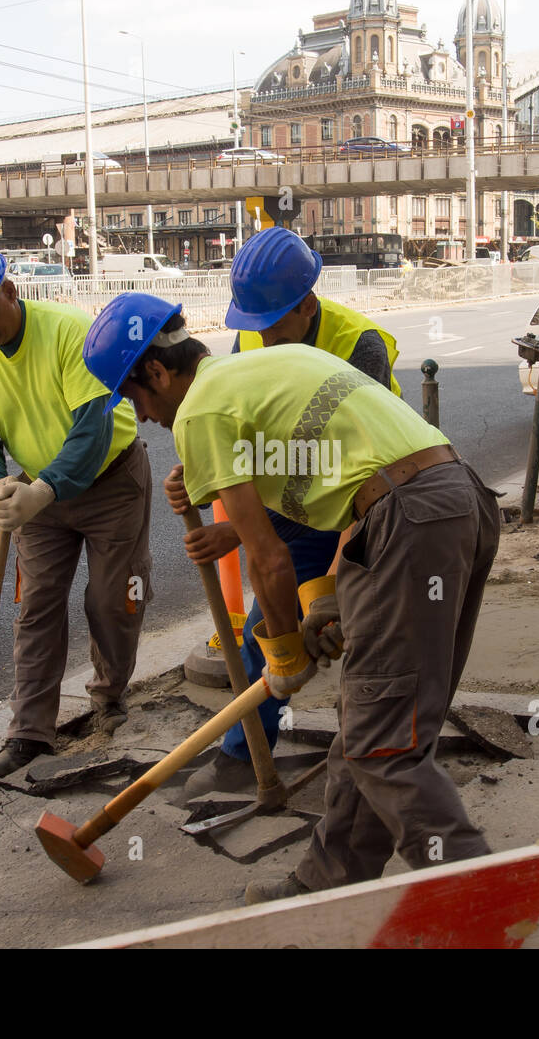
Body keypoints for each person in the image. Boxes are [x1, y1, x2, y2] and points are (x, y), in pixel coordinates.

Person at [83, 294, 498, 903]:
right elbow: (351, 481)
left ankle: (487, 906)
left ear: (157, 371)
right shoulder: (269, 369)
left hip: (407, 522)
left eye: (134, 396)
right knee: (377, 729)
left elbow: (269, 559)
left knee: (386, 744)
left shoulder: (200, 412)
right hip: (456, 502)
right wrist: (328, 596)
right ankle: (322, 889)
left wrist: (282, 657)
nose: (141, 416)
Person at [176, 226, 402, 800]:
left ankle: (372, 758)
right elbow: (248, 447)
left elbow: (359, 469)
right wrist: (228, 516)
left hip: (375, 498)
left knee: (365, 627)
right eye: (255, 325)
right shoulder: (251, 339)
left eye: (275, 324)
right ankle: (244, 757)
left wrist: (334, 576)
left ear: (308, 305)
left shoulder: (360, 344)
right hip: (298, 500)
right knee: (265, 626)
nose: (264, 339)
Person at [0, 238, 153, 780]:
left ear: (10, 291)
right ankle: (30, 734)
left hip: (109, 482)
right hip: (40, 497)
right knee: (35, 609)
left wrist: (44, 488)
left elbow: (92, 429)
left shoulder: (67, 331)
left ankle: (109, 698)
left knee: (113, 599)